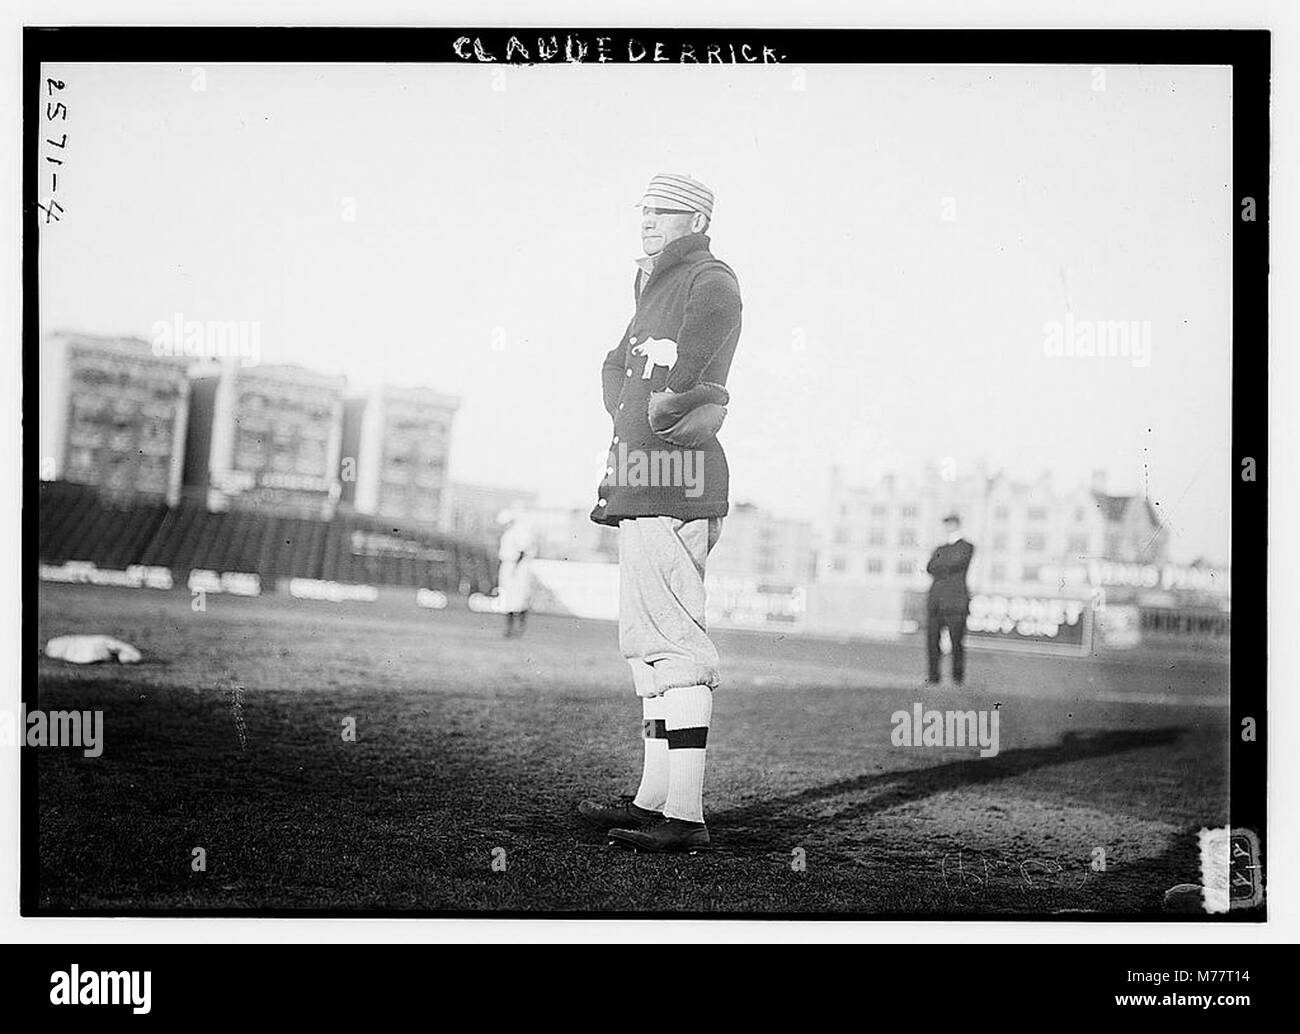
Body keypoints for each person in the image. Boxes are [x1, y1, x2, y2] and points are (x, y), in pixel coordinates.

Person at [577, 173, 743, 853]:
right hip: (644, 474)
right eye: (640, 208)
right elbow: (615, 362)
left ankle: (685, 815)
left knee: (675, 646)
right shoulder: (656, 282)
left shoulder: (709, 276)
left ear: (696, 217)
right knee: (647, 652)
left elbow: (708, 344)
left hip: (673, 475)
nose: (644, 219)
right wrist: (632, 404)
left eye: (659, 210)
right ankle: (654, 799)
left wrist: (667, 402)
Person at [925, 513, 974, 686]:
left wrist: (941, 565)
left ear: (957, 524)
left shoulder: (966, 546)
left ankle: (957, 678)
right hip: (936, 601)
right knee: (932, 642)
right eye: (946, 524)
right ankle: (933, 678)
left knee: (956, 642)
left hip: (955, 602)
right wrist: (943, 565)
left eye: (951, 523)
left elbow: (955, 564)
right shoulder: (940, 548)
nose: (948, 527)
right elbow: (930, 567)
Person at [495, 509, 536, 638]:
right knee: (508, 599)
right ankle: (510, 628)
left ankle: (518, 628)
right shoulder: (509, 533)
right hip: (509, 565)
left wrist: (514, 569)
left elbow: (522, 550)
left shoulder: (518, 532)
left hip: (517, 567)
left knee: (519, 599)